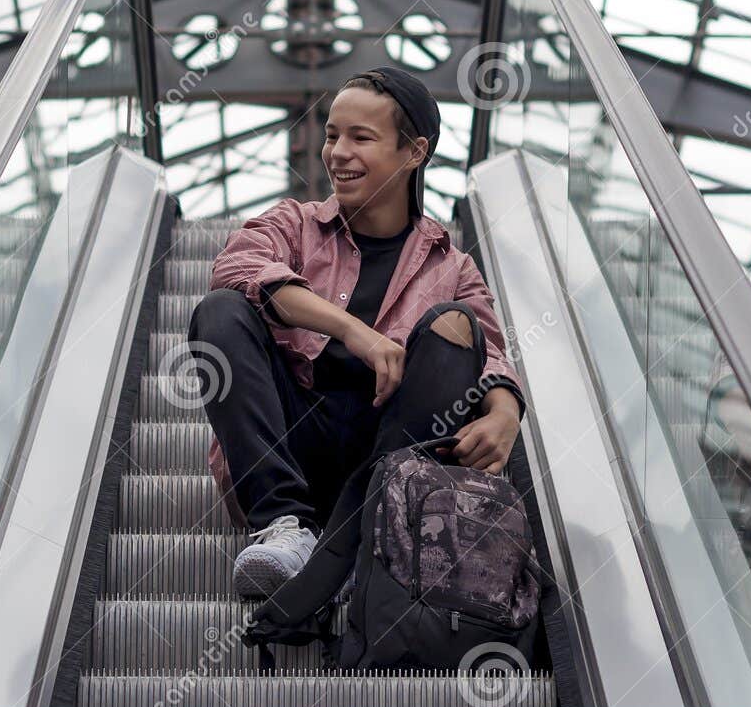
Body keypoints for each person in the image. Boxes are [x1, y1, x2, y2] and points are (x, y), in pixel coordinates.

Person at [188, 66, 528, 598]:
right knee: (221, 311)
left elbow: (491, 357)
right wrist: (353, 330)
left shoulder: (452, 267)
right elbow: (237, 269)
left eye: (360, 137)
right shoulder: (294, 224)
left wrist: (506, 414)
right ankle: (286, 527)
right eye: (331, 135)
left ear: (414, 152)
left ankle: (376, 533)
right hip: (292, 442)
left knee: (455, 328)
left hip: (384, 457)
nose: (337, 153)